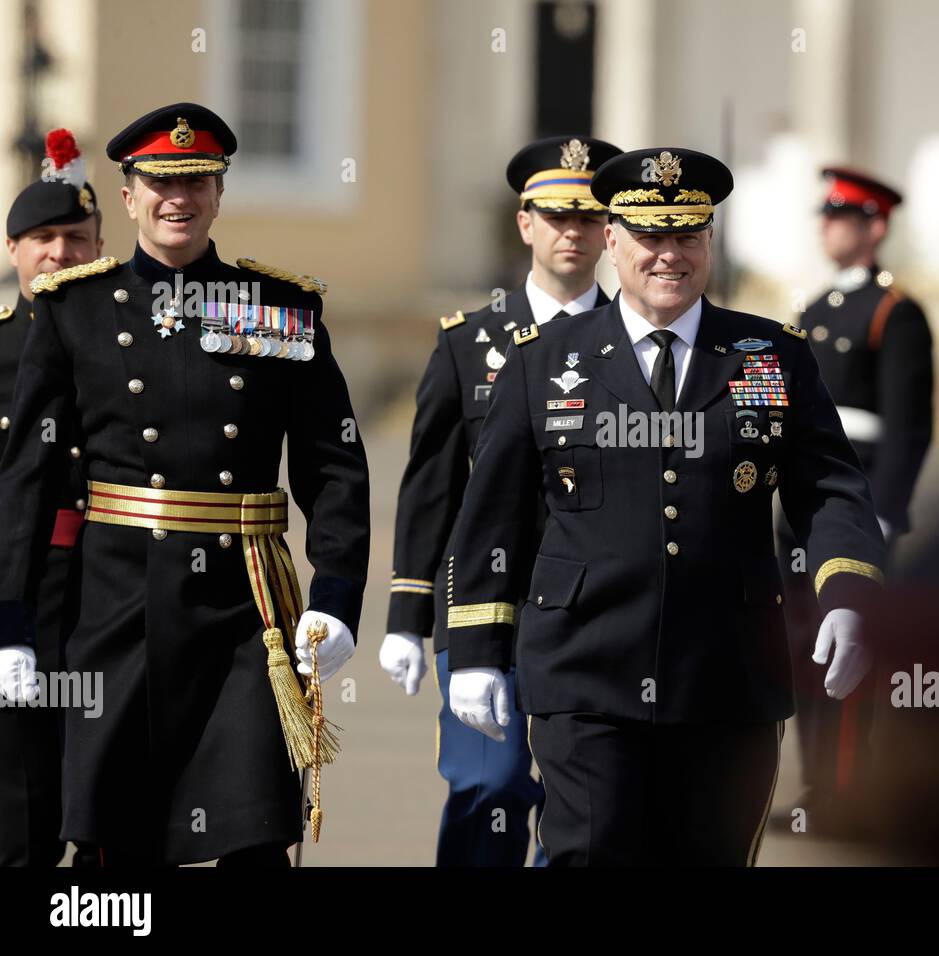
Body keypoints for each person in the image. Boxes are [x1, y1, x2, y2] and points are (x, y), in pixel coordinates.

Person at [443, 147, 888, 865]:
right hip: (585, 670)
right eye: (650, 237)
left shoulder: (768, 356)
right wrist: (475, 651)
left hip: (729, 675)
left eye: (687, 237)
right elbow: (492, 513)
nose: (668, 257)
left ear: (709, 242)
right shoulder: (542, 359)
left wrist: (848, 594)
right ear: (612, 239)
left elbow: (830, 485)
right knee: (591, 854)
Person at [0, 103, 370, 866]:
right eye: (160, 182)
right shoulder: (76, 310)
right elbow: (30, 478)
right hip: (117, 607)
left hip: (244, 613)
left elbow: (332, 463)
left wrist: (336, 595)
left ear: (219, 193)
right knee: (121, 843)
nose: (180, 198)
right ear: (128, 195)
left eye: (198, 181)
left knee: (255, 830)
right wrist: (12, 618)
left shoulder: (275, 310)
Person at [380, 134, 620, 866]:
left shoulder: (636, 346)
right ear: (526, 224)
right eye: (555, 217)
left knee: (586, 808)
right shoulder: (469, 342)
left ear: (609, 229)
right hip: (489, 609)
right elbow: (432, 485)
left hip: (594, 610)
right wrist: (405, 613)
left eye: (587, 219)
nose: (571, 233)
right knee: (488, 790)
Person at [774, 167, 933, 831]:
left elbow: (911, 422)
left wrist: (887, 510)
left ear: (875, 227)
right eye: (825, 215)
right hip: (800, 505)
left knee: (850, 648)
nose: (827, 226)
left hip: (857, 497)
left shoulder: (895, 313)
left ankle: (845, 793)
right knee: (805, 650)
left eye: (842, 216)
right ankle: (817, 786)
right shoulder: (811, 311)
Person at [0, 129, 101, 867]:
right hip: (22, 599)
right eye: (41, 238)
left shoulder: (129, 347)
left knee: (113, 805)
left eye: (75, 237)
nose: (59, 253)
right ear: (12, 250)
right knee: (22, 808)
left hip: (111, 596)